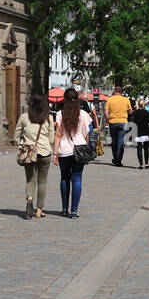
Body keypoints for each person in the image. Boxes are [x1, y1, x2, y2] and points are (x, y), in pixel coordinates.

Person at [53, 88, 92, 218]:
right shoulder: (84, 114)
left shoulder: (60, 114)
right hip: (79, 150)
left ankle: (64, 208)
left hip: (64, 150)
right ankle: (74, 210)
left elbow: (58, 135)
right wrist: (86, 151)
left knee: (64, 178)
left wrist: (55, 153)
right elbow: (87, 135)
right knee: (77, 179)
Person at [15, 93, 54, 219]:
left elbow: (16, 135)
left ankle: (30, 199)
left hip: (29, 153)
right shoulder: (48, 118)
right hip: (44, 152)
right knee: (42, 181)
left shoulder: (24, 117)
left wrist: (22, 144)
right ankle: (39, 210)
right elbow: (52, 138)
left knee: (30, 179)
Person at [106, 86, 133, 167]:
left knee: (114, 141)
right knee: (120, 141)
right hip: (123, 122)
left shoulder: (110, 99)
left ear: (114, 91)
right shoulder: (126, 100)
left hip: (113, 122)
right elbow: (130, 111)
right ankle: (119, 160)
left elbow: (106, 112)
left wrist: (108, 119)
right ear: (121, 92)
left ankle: (115, 158)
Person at [132, 99, 149, 169]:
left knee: (139, 148)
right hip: (145, 131)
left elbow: (134, 122)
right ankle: (146, 164)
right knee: (146, 148)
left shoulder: (135, 112)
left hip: (138, 132)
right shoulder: (146, 112)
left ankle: (141, 164)